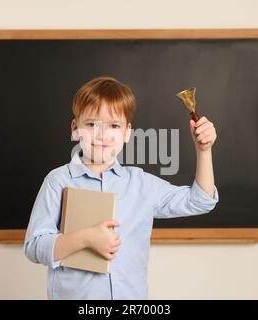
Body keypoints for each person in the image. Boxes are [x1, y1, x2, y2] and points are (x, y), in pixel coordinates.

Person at [24, 76, 219, 299]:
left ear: (127, 133)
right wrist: (86, 238)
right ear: (75, 129)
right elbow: (34, 247)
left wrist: (204, 151)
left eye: (114, 125)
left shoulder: (141, 184)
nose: (102, 135)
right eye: (91, 124)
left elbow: (200, 200)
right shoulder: (57, 181)